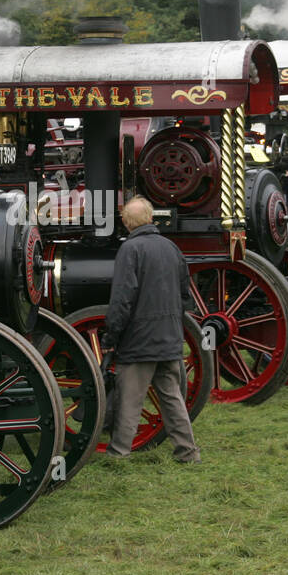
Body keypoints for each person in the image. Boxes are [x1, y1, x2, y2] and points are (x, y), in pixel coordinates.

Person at [100, 196, 201, 462]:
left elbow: (122, 298)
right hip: (169, 339)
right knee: (172, 399)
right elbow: (184, 296)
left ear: (125, 222)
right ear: (150, 218)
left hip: (138, 342)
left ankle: (118, 454)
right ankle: (188, 452)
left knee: (129, 401)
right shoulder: (171, 248)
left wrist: (111, 337)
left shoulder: (130, 250)